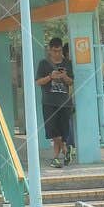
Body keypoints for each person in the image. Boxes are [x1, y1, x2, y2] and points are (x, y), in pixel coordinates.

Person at [36, 37, 75, 168]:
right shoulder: (44, 63)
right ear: (49, 50)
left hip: (64, 102)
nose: (57, 54)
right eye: (54, 51)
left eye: (59, 51)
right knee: (53, 131)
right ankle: (64, 150)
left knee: (64, 131)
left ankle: (56, 157)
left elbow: (71, 82)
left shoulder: (67, 63)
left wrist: (64, 76)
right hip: (49, 102)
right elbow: (38, 82)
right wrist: (50, 77)